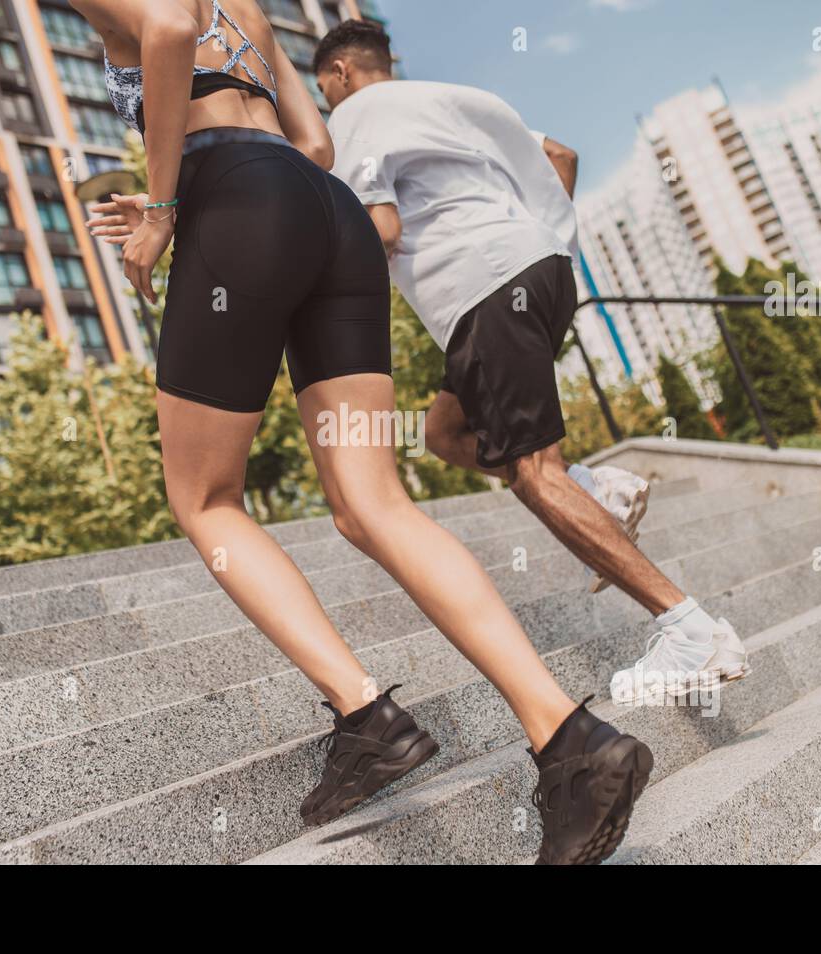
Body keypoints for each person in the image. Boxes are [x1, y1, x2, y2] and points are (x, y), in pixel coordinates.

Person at [77, 0, 650, 864]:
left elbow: (161, 29)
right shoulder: (245, 9)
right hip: (327, 213)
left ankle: (364, 713)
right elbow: (313, 146)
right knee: (371, 501)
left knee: (205, 499)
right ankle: (569, 741)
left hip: (240, 203)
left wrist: (165, 209)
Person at [312, 19, 751, 712]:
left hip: (482, 287)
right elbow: (562, 155)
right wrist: (527, 237)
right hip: (543, 274)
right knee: (446, 433)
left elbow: (383, 227)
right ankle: (594, 488)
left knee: (531, 473)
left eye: (322, 90)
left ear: (338, 73)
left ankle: (688, 628)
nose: (326, 103)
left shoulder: (356, 115)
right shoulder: (456, 99)